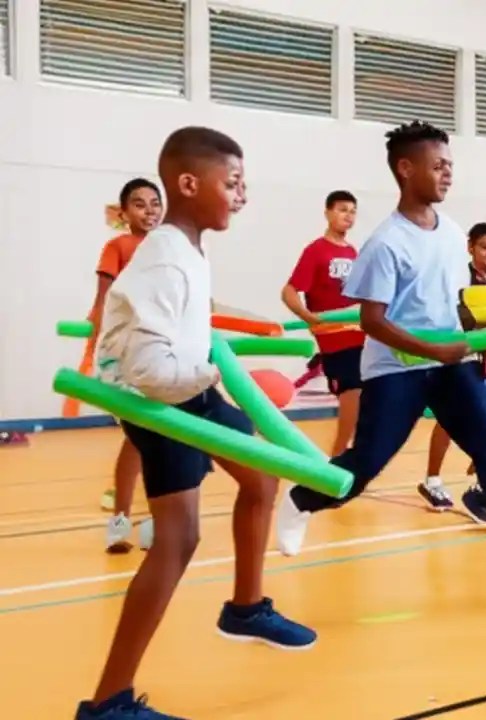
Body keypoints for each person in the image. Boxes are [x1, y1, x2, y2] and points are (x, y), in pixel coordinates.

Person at [76, 126, 316, 720]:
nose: (242, 195)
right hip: (160, 404)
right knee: (178, 540)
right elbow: (151, 367)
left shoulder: (186, 248)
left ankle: (245, 607)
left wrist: (238, 336)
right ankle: (109, 702)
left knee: (261, 479)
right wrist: (226, 379)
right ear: (188, 183)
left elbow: (188, 325)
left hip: (183, 390)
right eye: (232, 183)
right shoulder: (164, 258)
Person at [274, 121, 486, 582]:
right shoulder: (386, 242)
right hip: (396, 370)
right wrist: (432, 349)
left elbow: (455, 302)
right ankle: (301, 499)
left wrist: (477, 344)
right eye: (438, 166)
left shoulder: (451, 233)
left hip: (451, 364)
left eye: (450, 165)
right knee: (365, 464)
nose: (448, 174)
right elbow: (372, 320)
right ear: (406, 169)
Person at [417, 222, 486, 520]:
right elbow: (458, 318)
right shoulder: (460, 283)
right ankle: (434, 480)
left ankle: (484, 486)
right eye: (484, 247)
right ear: (470, 248)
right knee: (451, 422)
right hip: (461, 362)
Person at [95, 178, 163, 552]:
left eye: (155, 203)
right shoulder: (118, 246)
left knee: (149, 438)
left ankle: (151, 518)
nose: (149, 210)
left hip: (158, 354)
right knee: (140, 436)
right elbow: (102, 302)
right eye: (140, 204)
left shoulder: (168, 249)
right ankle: (121, 518)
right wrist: (97, 349)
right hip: (124, 355)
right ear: (124, 213)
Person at [281, 190, 363, 456]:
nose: (347, 216)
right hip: (334, 338)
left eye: (352, 211)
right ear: (328, 213)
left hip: (359, 334)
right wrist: (308, 317)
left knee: (365, 394)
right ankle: (339, 454)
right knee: (352, 391)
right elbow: (290, 291)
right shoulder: (316, 251)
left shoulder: (352, 251)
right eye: (342, 209)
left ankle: (350, 452)